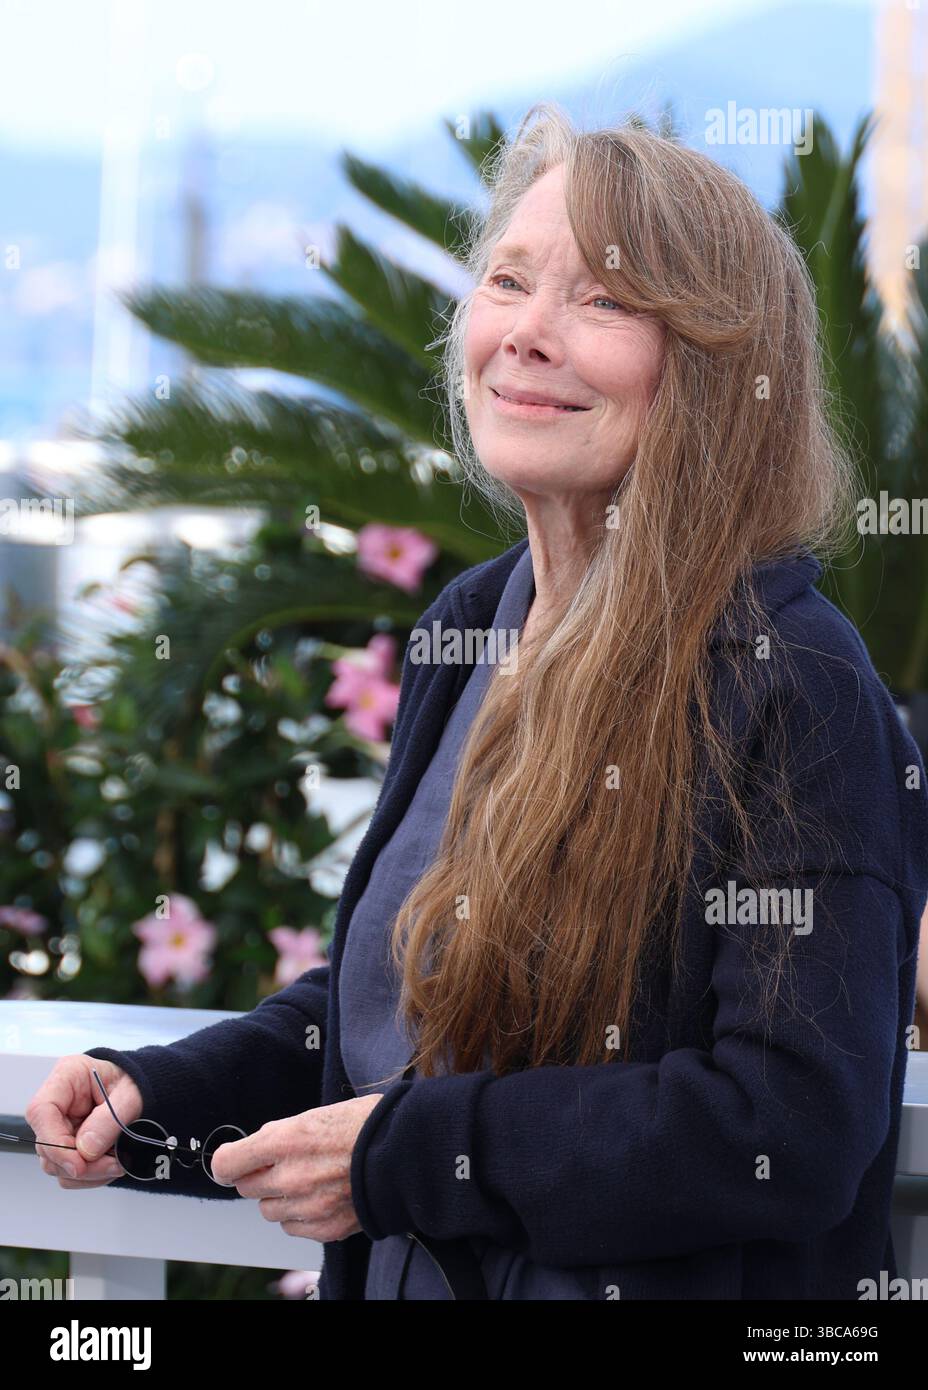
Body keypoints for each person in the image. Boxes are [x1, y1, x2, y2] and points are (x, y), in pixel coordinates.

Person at [26, 102, 928, 1300]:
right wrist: (167, 1088)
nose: (529, 334)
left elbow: (787, 1122)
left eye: (604, 301)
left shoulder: (792, 683)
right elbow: (411, 992)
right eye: (509, 280)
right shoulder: (473, 624)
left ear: (718, 371)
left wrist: (413, 1156)